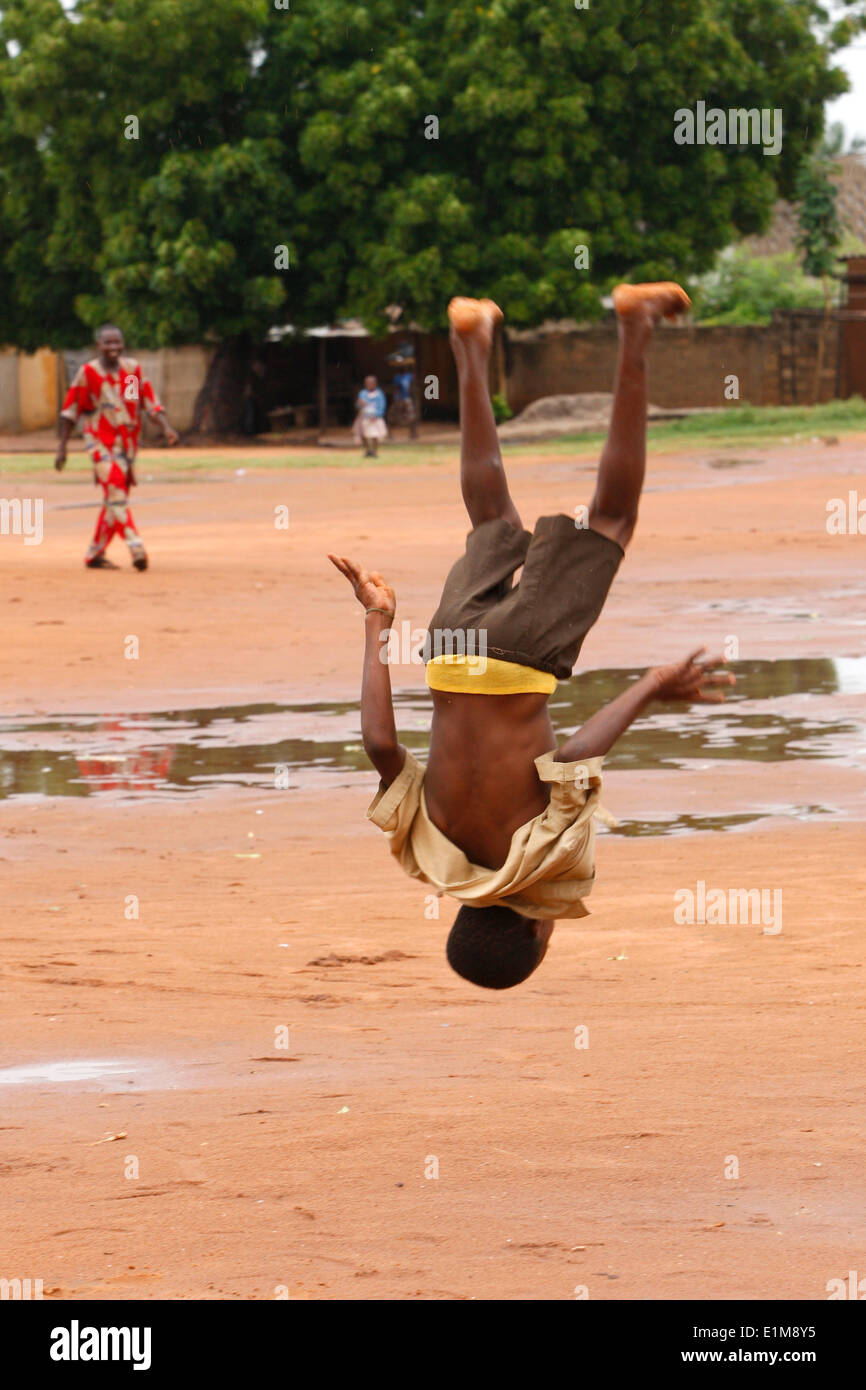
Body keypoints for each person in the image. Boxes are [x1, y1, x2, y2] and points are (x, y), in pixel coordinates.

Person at [329, 285, 735, 990]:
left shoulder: (541, 863)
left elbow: (574, 756)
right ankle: (472, 342)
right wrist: (377, 622)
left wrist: (652, 685)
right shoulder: (430, 851)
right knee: (490, 514)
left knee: (611, 519)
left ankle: (635, 327)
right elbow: (381, 747)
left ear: (532, 928)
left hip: (518, 661)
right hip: (449, 655)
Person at [55, 324, 179, 570]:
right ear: (98, 345)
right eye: (108, 343)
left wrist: (166, 427)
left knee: (114, 498)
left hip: (128, 444)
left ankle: (94, 554)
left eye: (117, 342)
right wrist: (62, 447)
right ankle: (136, 547)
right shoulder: (88, 373)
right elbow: (71, 412)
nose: (113, 348)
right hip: (99, 442)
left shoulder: (131, 372)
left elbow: (142, 403)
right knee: (116, 494)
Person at [352, 374, 388, 458]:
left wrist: (376, 415)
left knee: (375, 435)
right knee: (364, 435)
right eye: (368, 383)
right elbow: (358, 406)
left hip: (376, 418)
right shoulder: (362, 393)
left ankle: (374, 451)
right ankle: (368, 450)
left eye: (371, 383)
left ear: (375, 384)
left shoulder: (379, 394)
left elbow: (382, 406)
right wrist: (359, 404)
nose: (370, 385)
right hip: (365, 417)